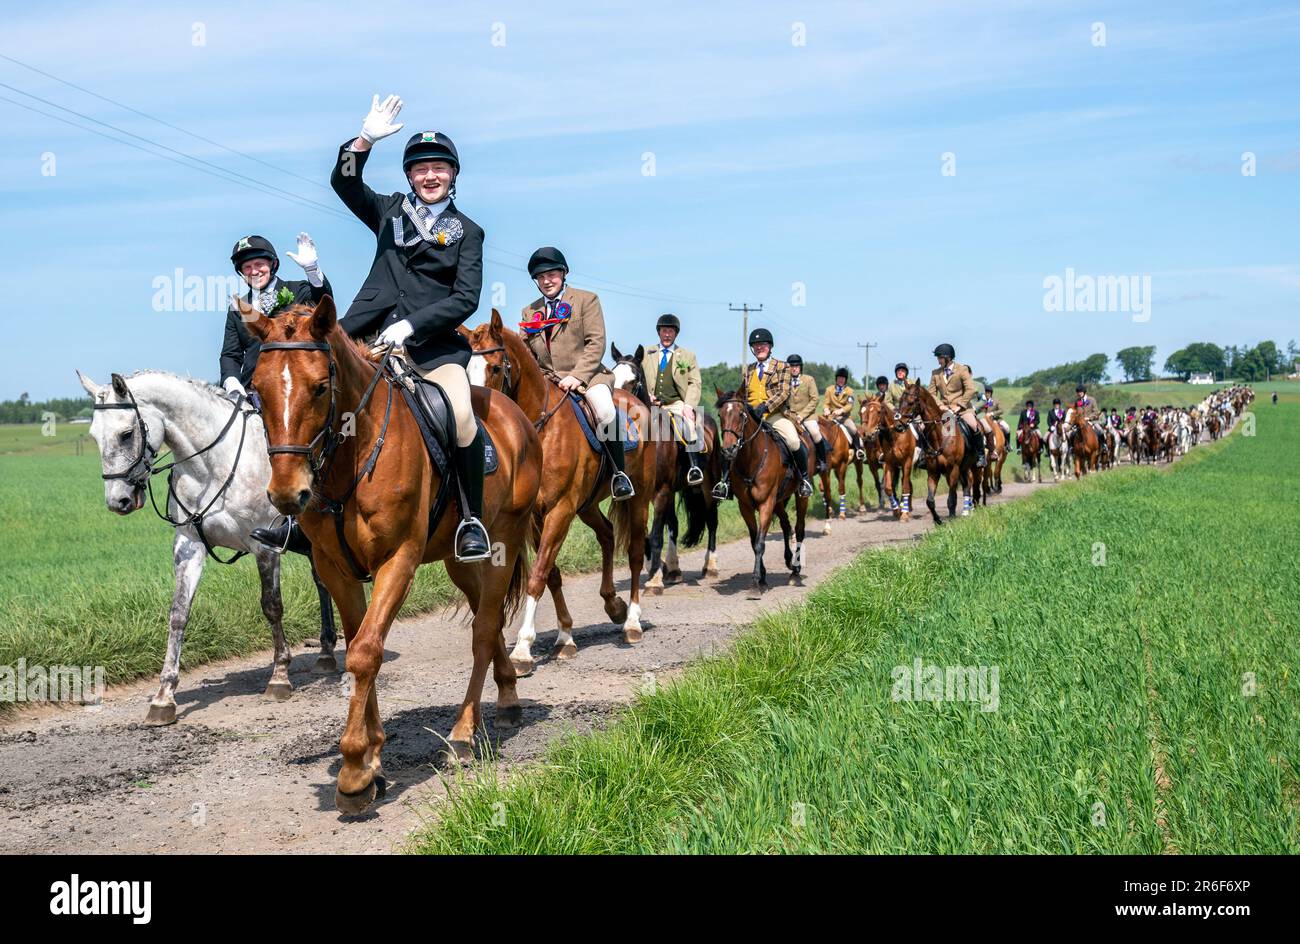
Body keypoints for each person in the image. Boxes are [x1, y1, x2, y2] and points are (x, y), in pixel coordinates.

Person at [254, 93, 490, 561]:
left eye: (439, 168)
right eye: (420, 169)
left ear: (453, 176)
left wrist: (414, 326)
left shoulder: (469, 232)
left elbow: (466, 298)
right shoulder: (390, 212)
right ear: (409, 176)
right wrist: (364, 141)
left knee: (462, 416)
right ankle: (304, 522)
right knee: (315, 410)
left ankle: (469, 521)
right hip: (364, 340)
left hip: (434, 351)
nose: (429, 175)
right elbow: (343, 184)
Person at [520, 246, 633, 500]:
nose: (547, 281)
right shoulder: (530, 312)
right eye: (541, 277)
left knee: (604, 410)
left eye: (552, 275)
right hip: (549, 382)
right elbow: (528, 353)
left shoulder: (586, 300)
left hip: (589, 377)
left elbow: (596, 343)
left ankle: (619, 474)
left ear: (564, 273)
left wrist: (578, 376)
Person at [220, 233, 332, 407]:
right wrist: (232, 382)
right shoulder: (238, 309)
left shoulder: (298, 290)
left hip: (295, 388)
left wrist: (312, 270)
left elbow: (323, 300)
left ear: (273, 264)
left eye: (259, 264)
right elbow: (230, 354)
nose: (254, 271)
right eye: (247, 267)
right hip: (253, 391)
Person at [720, 327, 813, 498]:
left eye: (762, 344)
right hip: (751, 416)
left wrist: (765, 406)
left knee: (793, 441)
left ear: (770, 346)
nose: (759, 347)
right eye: (755, 345)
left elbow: (784, 392)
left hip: (775, 415)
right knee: (730, 442)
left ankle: (804, 480)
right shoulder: (749, 369)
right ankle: (725, 483)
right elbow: (744, 393)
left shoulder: (782, 366)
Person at [639, 312, 705, 485]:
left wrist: (689, 406)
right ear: (659, 333)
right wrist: (647, 394)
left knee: (689, 425)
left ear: (676, 333)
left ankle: (694, 467)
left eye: (670, 331)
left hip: (675, 403)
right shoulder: (647, 353)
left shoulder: (687, 355)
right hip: (651, 403)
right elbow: (639, 378)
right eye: (663, 331)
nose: (667, 334)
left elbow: (695, 382)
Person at [928, 343, 989, 467]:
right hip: (944, 410)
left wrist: (959, 406)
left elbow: (970, 389)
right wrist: (940, 406)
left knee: (973, 425)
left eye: (939, 358)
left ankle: (981, 455)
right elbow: (931, 393)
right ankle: (926, 457)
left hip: (963, 409)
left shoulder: (962, 370)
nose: (938, 361)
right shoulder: (935, 373)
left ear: (947, 358)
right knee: (927, 428)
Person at [786, 354, 826, 474]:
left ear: (800, 367)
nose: (794, 368)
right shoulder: (784, 381)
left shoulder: (809, 380)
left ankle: (822, 461)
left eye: (796, 366)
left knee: (815, 432)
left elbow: (815, 399)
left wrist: (802, 415)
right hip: (790, 417)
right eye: (792, 366)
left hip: (808, 416)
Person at [822, 366, 863, 461]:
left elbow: (850, 405)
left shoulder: (850, 391)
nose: (841, 380)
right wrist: (826, 409)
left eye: (843, 378)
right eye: (839, 378)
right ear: (836, 379)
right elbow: (826, 403)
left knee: (853, 429)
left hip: (844, 418)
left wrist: (841, 411)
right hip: (831, 417)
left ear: (845, 380)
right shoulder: (829, 389)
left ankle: (858, 449)